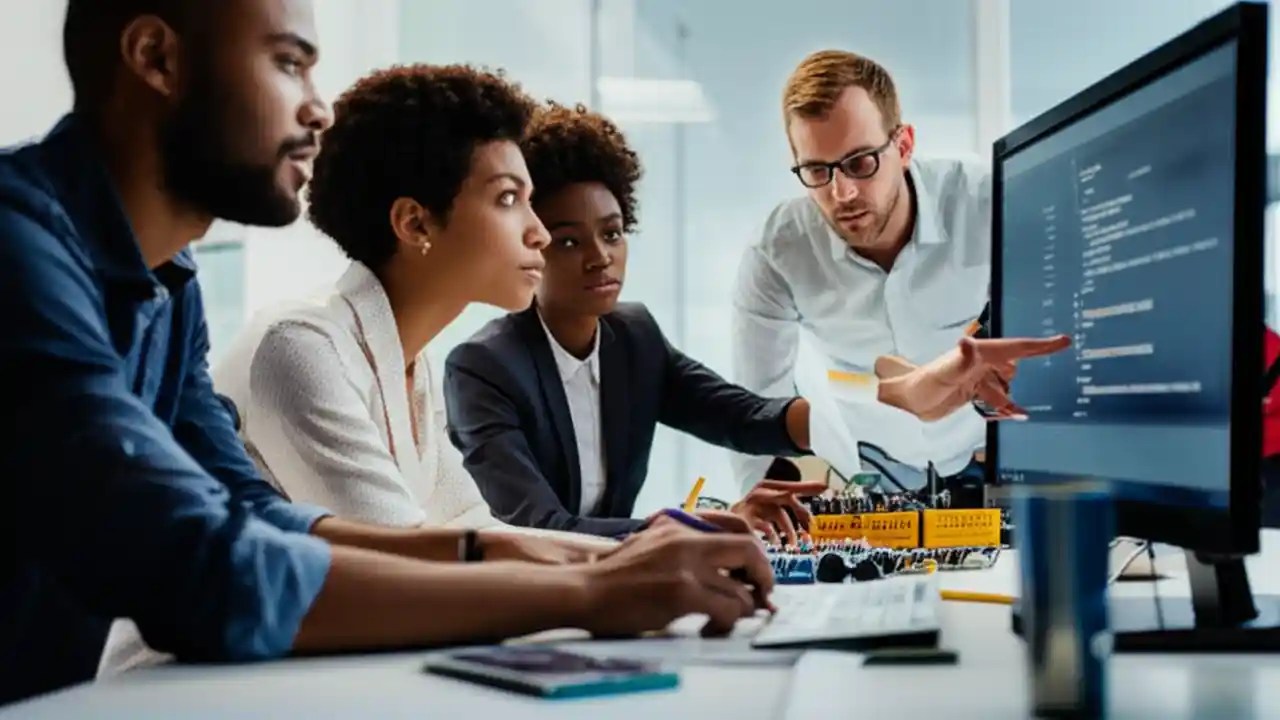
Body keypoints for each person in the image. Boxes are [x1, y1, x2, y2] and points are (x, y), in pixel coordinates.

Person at [0, 0, 772, 705]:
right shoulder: (18, 250)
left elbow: (264, 517)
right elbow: (204, 564)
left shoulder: (171, 289)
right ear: (155, 58)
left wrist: (600, 561)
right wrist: (590, 591)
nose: (316, 106)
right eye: (288, 61)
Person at [443, 103, 828, 542]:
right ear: (531, 244)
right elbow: (538, 528)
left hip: (610, 589)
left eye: (611, 234)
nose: (600, 257)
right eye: (569, 242)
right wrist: (701, 526)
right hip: (527, 595)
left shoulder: (633, 337)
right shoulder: (484, 368)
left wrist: (859, 418)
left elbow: (741, 417)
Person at [730, 49, 1068, 492]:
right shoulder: (776, 250)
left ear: (904, 145)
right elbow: (756, 407)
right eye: (816, 169)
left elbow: (1061, 325)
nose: (842, 192)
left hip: (989, 459)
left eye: (860, 162)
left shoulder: (987, 200)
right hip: (869, 474)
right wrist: (760, 510)